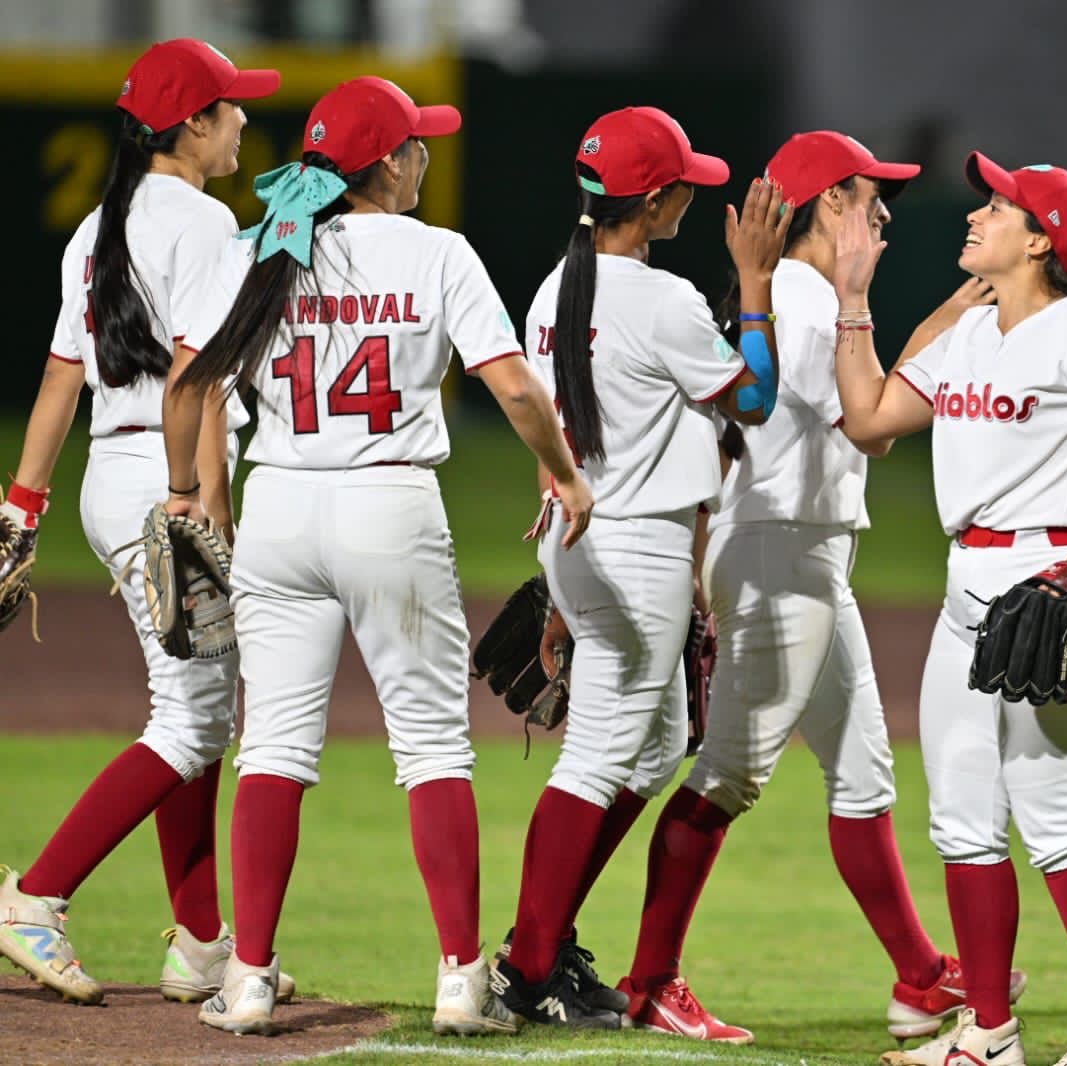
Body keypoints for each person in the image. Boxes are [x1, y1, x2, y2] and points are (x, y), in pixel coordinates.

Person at [162, 75, 591, 1037]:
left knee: (269, 749)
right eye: (417, 143)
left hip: (280, 502)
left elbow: (189, 387)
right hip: (388, 502)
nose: (425, 156)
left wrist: (194, 494)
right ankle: (457, 983)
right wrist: (561, 472)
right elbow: (515, 387)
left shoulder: (263, 244)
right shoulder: (437, 250)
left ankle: (249, 981)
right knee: (432, 747)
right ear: (390, 162)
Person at [615, 129, 1023, 1045]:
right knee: (728, 774)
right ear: (826, 204)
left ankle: (920, 977)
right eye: (867, 194)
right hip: (776, 554)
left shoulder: (804, 295)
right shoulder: (803, 298)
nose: (882, 210)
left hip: (799, 553)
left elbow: (870, 389)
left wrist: (958, 303)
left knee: (863, 772)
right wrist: (916, 306)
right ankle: (649, 980)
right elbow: (872, 421)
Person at [834, 153, 1067, 1066]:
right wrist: (855, 296)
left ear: (1041, 239)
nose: (976, 213)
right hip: (966, 586)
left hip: (1056, 578)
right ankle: (987, 1032)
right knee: (961, 819)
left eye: (998, 205)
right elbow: (867, 420)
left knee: (1054, 820)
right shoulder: (970, 334)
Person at [492, 106, 790, 1032]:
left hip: (583, 532)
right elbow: (754, 396)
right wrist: (754, 283)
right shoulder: (659, 299)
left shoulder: (555, 287)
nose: (689, 199)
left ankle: (543, 941)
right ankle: (528, 966)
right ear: (654, 199)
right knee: (599, 753)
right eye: (681, 188)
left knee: (656, 747)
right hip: (636, 539)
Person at [0, 38, 284, 1008]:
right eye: (231, 107)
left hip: (109, 474)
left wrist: (20, 508)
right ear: (192, 125)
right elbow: (198, 384)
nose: (244, 119)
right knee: (192, 716)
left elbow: (56, 380)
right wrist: (207, 503)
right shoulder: (208, 225)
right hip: (169, 479)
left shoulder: (95, 228)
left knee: (195, 706)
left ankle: (203, 944)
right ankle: (35, 894)